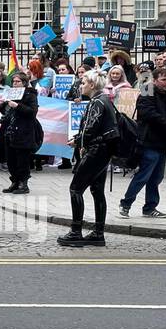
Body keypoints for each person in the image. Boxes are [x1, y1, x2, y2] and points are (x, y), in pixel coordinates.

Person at [58, 70, 119, 247]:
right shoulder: (104, 99)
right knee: (97, 190)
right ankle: (98, 233)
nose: (81, 86)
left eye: (83, 83)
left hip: (96, 150)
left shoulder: (97, 102)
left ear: (92, 85)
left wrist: (78, 141)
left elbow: (91, 128)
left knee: (75, 189)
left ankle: (76, 232)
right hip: (104, 150)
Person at [120, 67, 166, 219]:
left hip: (162, 142)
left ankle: (150, 207)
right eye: (164, 79)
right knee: (144, 175)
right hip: (149, 141)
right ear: (155, 80)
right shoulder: (147, 90)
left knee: (156, 177)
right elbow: (148, 113)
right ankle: (125, 204)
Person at [0, 79, 40, 194]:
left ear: (24, 83)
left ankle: (23, 183)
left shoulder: (30, 95)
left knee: (22, 160)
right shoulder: (10, 93)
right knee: (11, 160)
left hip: (23, 132)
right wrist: (1, 105)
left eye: (18, 81)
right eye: (14, 82)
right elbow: (5, 112)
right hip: (10, 131)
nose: (15, 83)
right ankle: (15, 181)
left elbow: (32, 112)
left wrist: (17, 105)